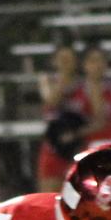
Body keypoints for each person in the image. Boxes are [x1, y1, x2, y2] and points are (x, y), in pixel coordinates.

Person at [34, 43, 81, 192]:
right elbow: (51, 101)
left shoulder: (84, 84)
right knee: (49, 198)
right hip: (54, 147)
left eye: (69, 59)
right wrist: (63, 78)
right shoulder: (47, 79)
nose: (66, 63)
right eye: (62, 59)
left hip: (77, 144)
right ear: (54, 61)